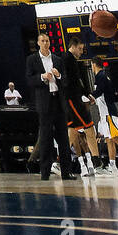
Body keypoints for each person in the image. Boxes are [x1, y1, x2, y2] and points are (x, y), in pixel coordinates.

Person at [25, 31, 74, 181]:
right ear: (38, 43)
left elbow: (66, 81)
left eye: (47, 40)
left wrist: (58, 76)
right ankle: (44, 173)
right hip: (44, 104)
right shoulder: (32, 59)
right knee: (45, 138)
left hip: (58, 102)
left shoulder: (58, 60)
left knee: (63, 139)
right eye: (43, 41)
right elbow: (29, 80)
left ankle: (66, 172)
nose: (45, 43)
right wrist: (42, 77)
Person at [63, 39, 101, 177]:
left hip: (74, 98)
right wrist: (83, 94)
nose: (81, 51)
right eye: (79, 48)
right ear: (72, 47)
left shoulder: (71, 60)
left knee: (73, 130)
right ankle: (98, 165)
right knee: (89, 127)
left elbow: (77, 82)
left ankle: (60, 161)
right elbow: (69, 82)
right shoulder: (67, 59)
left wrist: (87, 94)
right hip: (73, 100)